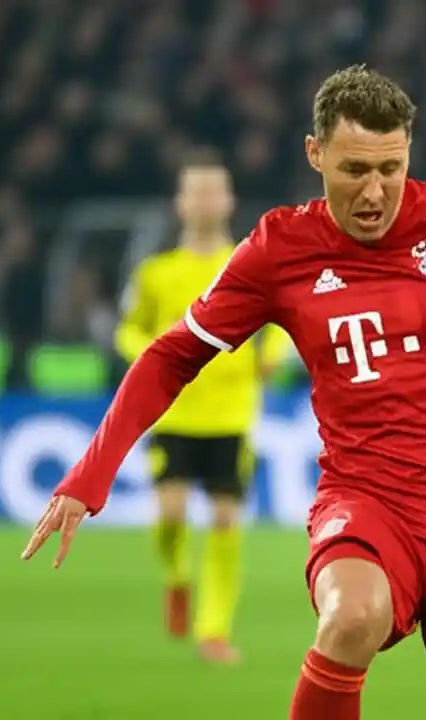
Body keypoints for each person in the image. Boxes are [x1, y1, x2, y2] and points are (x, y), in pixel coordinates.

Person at [21, 64, 426, 720]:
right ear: (315, 154)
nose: (374, 192)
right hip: (371, 504)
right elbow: (173, 355)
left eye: (390, 169)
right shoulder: (280, 248)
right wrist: (91, 474)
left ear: (409, 152)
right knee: (351, 615)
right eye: (353, 170)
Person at [115, 149, 291, 663]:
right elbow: (127, 326)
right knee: (169, 515)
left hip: (232, 413)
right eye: (197, 190)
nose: (207, 200)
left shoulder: (248, 263)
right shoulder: (156, 273)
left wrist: (272, 356)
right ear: (180, 202)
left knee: (224, 520)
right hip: (173, 412)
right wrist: (146, 354)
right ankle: (176, 578)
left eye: (215, 190)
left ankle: (213, 629)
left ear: (229, 199)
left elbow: (280, 322)